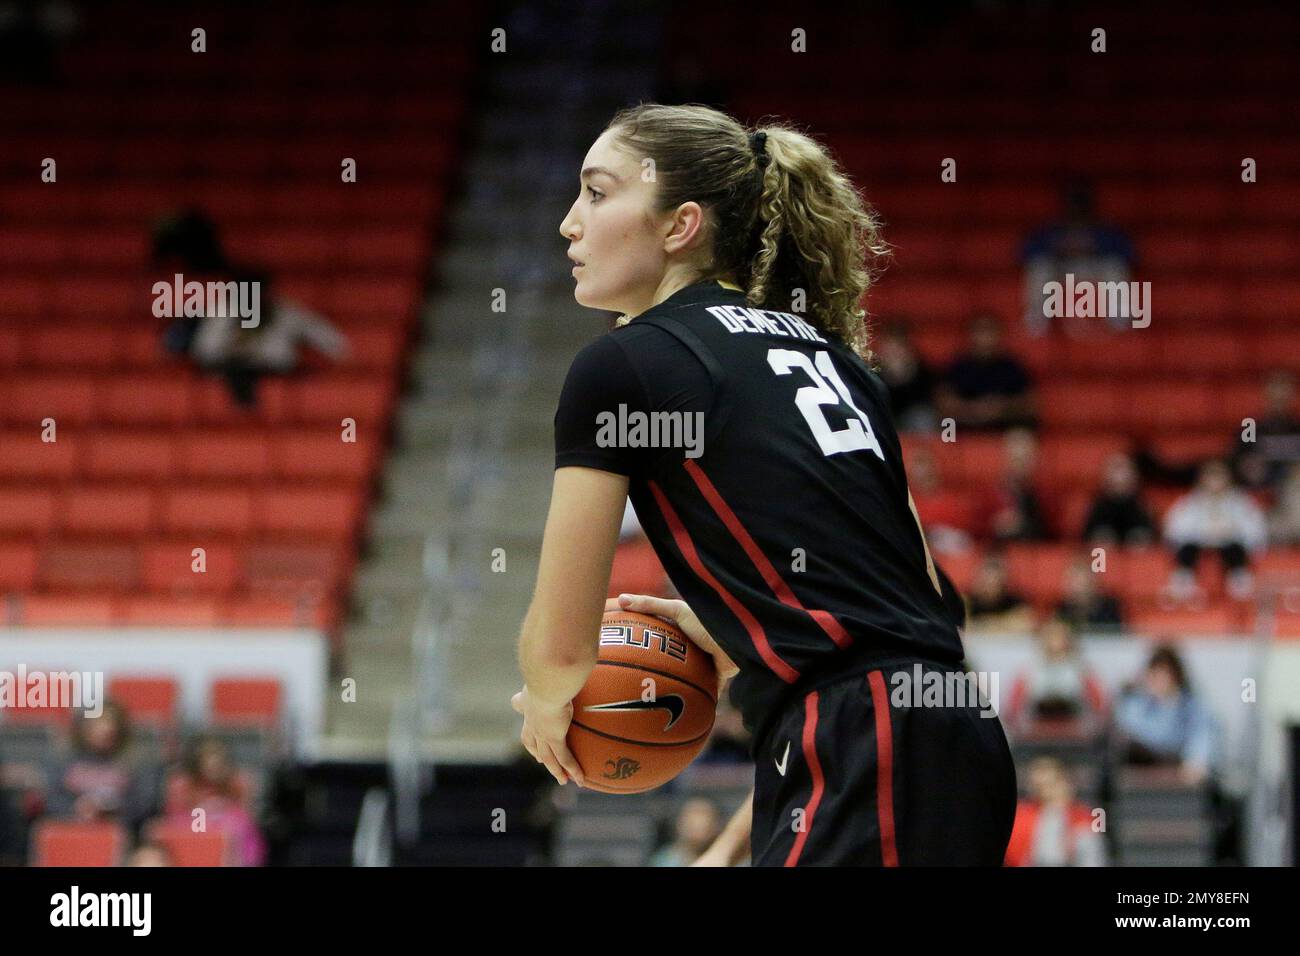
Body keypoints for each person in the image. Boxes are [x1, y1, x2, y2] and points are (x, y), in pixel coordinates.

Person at [512, 103, 1015, 867]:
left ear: (680, 225)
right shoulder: (834, 357)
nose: (568, 223)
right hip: (934, 736)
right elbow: (934, 605)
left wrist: (548, 706)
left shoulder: (627, 363)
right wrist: (750, 627)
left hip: (864, 744)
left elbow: (560, 647)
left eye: (596, 191)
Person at [1020, 180, 1135, 336]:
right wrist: (1058, 248)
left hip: (1093, 268)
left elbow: (1128, 254)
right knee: (1040, 267)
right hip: (1060, 268)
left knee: (1114, 266)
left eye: (1081, 203)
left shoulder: (1104, 229)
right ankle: (1036, 320)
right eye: (1073, 203)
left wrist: (1095, 247)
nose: (1077, 208)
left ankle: (1118, 317)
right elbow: (1025, 253)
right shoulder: (1052, 229)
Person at [42, 701, 158, 831]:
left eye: (110, 724)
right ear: (84, 728)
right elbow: (52, 798)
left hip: (122, 830)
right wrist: (75, 808)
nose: (104, 730)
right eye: (98, 724)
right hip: (72, 829)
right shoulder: (63, 758)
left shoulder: (136, 761)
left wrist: (114, 811)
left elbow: (144, 802)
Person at [1163, 458, 1268, 601]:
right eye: (1210, 477)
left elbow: (1254, 528)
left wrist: (1232, 532)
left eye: (1219, 476)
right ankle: (1184, 583)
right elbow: (1175, 529)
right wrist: (1203, 533)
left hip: (1230, 543)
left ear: (1228, 478)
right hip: (1198, 542)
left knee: (1235, 549)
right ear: (1202, 479)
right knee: (1187, 549)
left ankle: (1239, 583)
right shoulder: (1190, 502)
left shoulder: (1240, 501)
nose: (1215, 482)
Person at [1113, 645, 1218, 785]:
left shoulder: (1192, 706)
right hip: (1142, 774)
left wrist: (1196, 760)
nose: (1157, 681)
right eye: (1153, 674)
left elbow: (1203, 735)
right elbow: (1129, 726)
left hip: (1178, 775)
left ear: (1176, 677)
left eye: (1163, 675)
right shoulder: (1136, 703)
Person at [165, 735, 266, 866]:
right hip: (194, 838)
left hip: (232, 840)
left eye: (218, 758)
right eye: (208, 757)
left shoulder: (238, 784)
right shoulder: (182, 786)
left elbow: (246, 822)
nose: (214, 763)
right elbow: (174, 821)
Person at [1006, 616, 1108, 736]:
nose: (1055, 642)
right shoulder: (1029, 671)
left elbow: (1099, 706)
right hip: (1036, 731)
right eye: (1051, 636)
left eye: (1060, 637)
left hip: (1075, 731)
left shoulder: (1082, 670)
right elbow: (1014, 707)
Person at [935, 312, 1037, 431]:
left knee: (1024, 426)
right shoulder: (957, 366)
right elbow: (944, 402)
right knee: (946, 424)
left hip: (1003, 426)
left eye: (989, 332)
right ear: (970, 335)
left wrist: (1000, 407)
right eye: (981, 332)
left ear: (999, 335)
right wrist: (975, 409)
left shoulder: (1012, 367)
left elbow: (1030, 403)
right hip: (966, 424)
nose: (985, 338)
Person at [1004, 756, 1107, 866]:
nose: (1045, 791)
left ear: (1065, 782)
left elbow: (1093, 858)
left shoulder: (1083, 816)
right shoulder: (1022, 815)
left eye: (1050, 784)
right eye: (1038, 787)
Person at [1082, 452, 1156, 545]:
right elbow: (1088, 536)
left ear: (1135, 476)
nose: (1120, 476)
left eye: (1124, 470)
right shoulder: (1098, 506)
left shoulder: (1141, 505)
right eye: (1115, 470)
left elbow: (1150, 536)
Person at [1054, 555, 1125, 632]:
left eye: (1082, 582)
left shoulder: (1109, 608)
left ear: (1092, 582)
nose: (1078, 587)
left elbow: (1116, 637)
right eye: (1074, 581)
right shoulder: (1061, 609)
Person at [648, 797, 722, 866]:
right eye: (691, 824)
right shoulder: (664, 861)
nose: (698, 827)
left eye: (705, 826)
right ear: (679, 824)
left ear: (716, 826)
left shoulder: (725, 858)